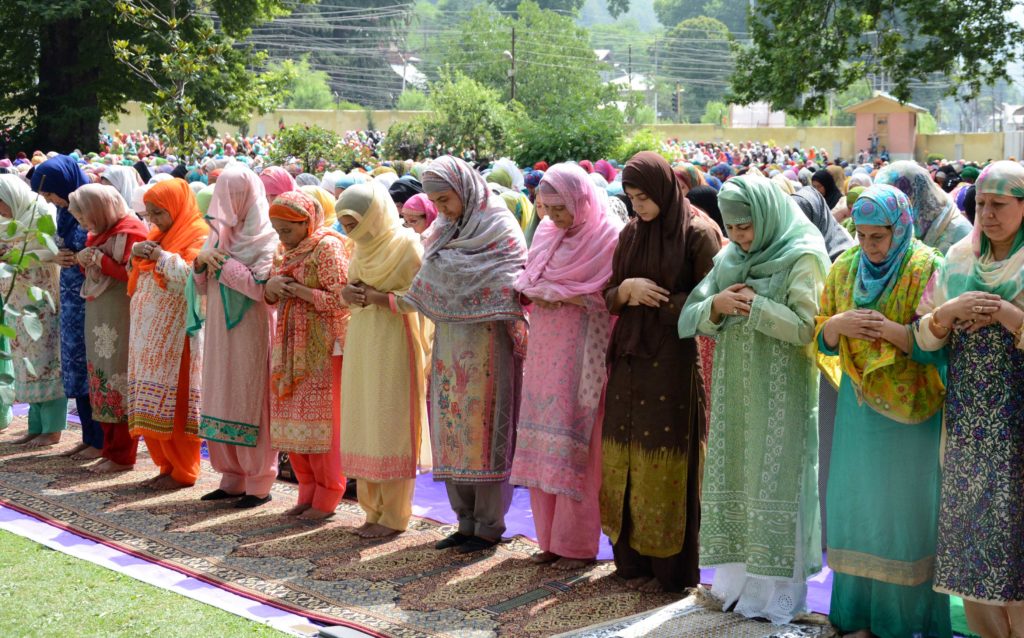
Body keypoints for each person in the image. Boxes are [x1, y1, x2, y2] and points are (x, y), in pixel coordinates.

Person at [678, 174, 829, 623]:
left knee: (776, 478)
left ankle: (778, 599)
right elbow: (690, 318)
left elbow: (809, 327)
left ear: (766, 215)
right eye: (733, 227)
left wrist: (756, 307)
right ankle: (735, 589)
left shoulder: (802, 255)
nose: (740, 237)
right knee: (741, 475)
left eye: (747, 227)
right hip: (736, 391)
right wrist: (717, 305)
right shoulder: (729, 258)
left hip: (782, 392)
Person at [817, 184, 951, 638]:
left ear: (902, 228)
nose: (870, 247)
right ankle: (857, 619)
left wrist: (896, 333)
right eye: (862, 235)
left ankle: (901, 622)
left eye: (880, 237)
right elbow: (820, 335)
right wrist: (837, 326)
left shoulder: (927, 268)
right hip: (859, 416)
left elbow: (941, 346)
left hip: (911, 417)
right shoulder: (844, 269)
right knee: (858, 511)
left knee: (902, 516)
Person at [601, 152, 722, 593]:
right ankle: (632, 563)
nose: (638, 207)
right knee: (625, 458)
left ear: (666, 190)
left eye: (645, 198)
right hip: (629, 360)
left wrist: (663, 302)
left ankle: (671, 572)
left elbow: (711, 303)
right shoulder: (631, 232)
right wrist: (626, 292)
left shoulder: (698, 233)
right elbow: (608, 292)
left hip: (672, 364)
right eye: (631, 198)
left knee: (667, 462)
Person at [914, 161, 1024, 637]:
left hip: (1016, 432)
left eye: (999, 204)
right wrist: (947, 313)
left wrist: (1007, 314)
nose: (988, 214)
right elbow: (923, 337)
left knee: (1016, 550)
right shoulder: (958, 259)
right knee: (972, 548)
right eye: (980, 204)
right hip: (966, 435)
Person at [400, 155, 527, 554]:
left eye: (447, 199)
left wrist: (450, 274)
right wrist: (449, 274)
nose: (442, 209)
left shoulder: (497, 225)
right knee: (452, 428)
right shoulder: (442, 228)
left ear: (466, 189)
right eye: (435, 201)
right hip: (450, 341)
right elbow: (431, 276)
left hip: (489, 344)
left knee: (485, 431)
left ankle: (489, 525)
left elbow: (510, 277)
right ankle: (464, 521)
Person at [511, 163, 622, 570]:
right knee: (545, 442)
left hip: (583, 352)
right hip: (545, 352)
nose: (555, 217)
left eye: (562, 209)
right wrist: (539, 292)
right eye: (548, 208)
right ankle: (549, 540)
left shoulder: (608, 236)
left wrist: (571, 298)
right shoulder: (546, 232)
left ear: (582, 200)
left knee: (580, 446)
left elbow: (614, 300)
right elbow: (529, 276)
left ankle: (576, 545)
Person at [335, 182, 429, 538]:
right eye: (345, 224)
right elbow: (349, 292)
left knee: (390, 422)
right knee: (364, 418)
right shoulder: (357, 247)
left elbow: (419, 297)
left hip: (395, 338)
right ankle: (371, 510)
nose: (350, 230)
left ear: (374, 216)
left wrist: (376, 298)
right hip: (363, 339)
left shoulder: (407, 246)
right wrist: (348, 294)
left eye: (354, 222)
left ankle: (394, 515)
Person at [192, 165, 279, 509]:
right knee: (221, 394)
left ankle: (259, 482)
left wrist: (222, 265)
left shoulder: (268, 238)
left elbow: (263, 288)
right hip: (219, 332)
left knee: (250, 398)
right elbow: (199, 283)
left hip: (251, 331)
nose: (225, 205)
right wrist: (201, 263)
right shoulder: (218, 235)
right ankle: (230, 478)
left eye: (231, 197)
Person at [265, 190, 350, 520]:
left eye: (287, 230)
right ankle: (307, 491)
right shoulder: (287, 250)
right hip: (287, 346)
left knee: (320, 424)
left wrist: (300, 291)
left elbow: (343, 298)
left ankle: (328, 495)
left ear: (307, 222)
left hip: (320, 346)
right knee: (294, 423)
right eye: (277, 231)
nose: (281, 238)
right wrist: (272, 289)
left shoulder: (327, 246)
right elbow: (270, 294)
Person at [128, 178, 209, 490]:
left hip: (178, 339)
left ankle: (183, 470)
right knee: (150, 400)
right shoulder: (157, 235)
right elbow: (136, 274)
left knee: (175, 404)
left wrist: (161, 256)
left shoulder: (198, 234)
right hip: (148, 337)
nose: (153, 220)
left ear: (177, 207)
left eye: (159, 213)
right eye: (149, 214)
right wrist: (137, 252)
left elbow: (190, 277)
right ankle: (165, 465)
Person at [67, 184, 149, 472]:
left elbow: (130, 274)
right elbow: (93, 267)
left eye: (86, 217)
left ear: (100, 210)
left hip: (119, 312)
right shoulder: (103, 231)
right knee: (101, 374)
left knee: (118, 375)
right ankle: (109, 448)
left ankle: (122, 455)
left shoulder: (131, 231)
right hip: (99, 310)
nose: (85, 225)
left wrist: (98, 259)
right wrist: (86, 260)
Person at [31, 156, 102, 458]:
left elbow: (99, 244)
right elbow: (66, 245)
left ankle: (101, 441)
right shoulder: (65, 211)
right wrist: (59, 254)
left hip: (93, 296)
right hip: (72, 297)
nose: (50, 200)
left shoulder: (92, 204)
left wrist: (80, 254)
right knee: (75, 365)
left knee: (94, 364)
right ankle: (89, 436)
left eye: (50, 193)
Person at [0, 175, 66, 447]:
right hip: (15, 303)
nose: (1, 210)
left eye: (1, 203)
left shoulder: (41, 214)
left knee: (46, 361)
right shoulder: (9, 221)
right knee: (25, 362)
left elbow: (53, 250)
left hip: (41, 303)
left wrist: (12, 256)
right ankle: (36, 425)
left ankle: (52, 429)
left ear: (12, 196)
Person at [875, 161, 972, 255]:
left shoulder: (960, 232)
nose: (887, 209)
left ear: (915, 194)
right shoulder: (903, 226)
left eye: (893, 201)